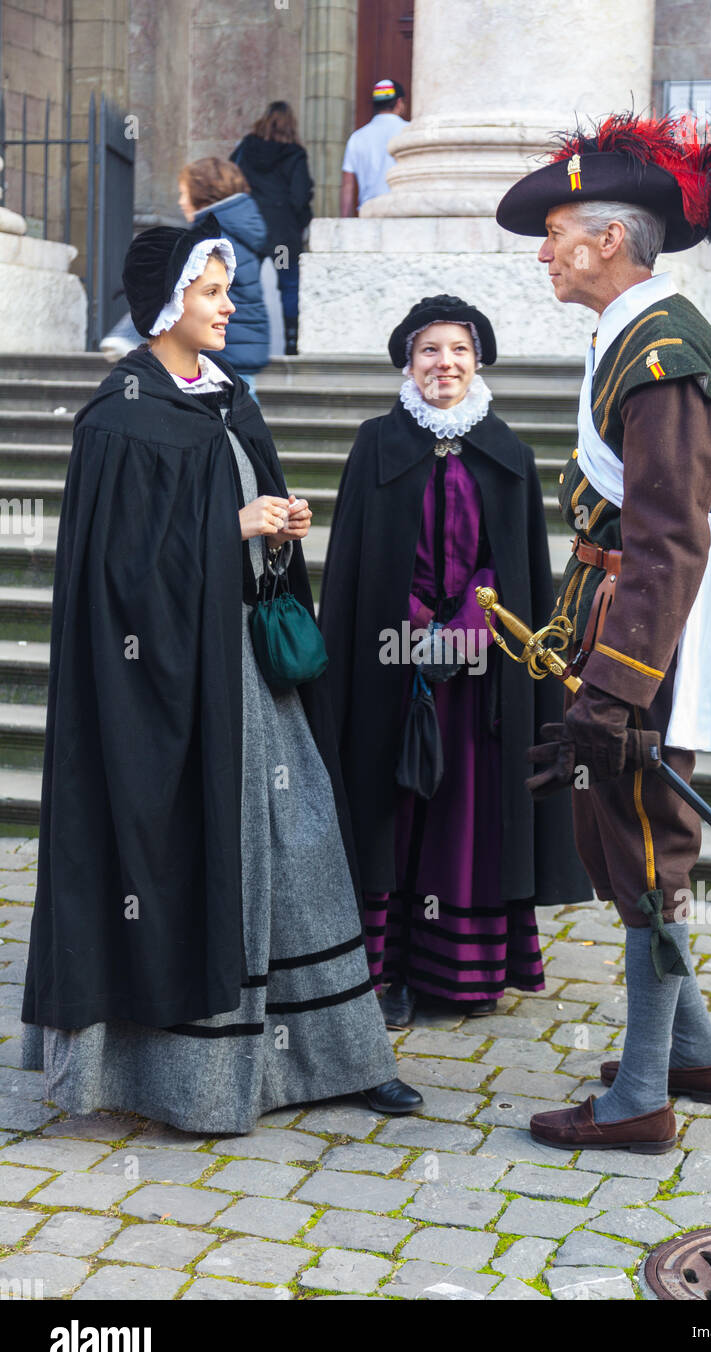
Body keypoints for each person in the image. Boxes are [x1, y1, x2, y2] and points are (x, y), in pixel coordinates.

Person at [20, 213, 422, 1132]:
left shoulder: (228, 393)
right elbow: (113, 576)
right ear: (167, 305)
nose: (228, 307)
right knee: (211, 854)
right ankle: (190, 1080)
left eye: (227, 290)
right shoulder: (120, 417)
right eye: (211, 293)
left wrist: (277, 524)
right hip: (169, 685)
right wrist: (229, 530)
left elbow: (235, 503)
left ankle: (339, 1053)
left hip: (253, 668)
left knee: (305, 841)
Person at [495, 113, 711, 1152]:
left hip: (651, 635)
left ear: (607, 240)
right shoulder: (634, 336)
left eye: (557, 231)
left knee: (642, 847)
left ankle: (640, 1100)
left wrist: (613, 690)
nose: (544, 251)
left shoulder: (662, 353)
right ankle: (691, 1055)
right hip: (627, 623)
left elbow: (668, 536)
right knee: (628, 839)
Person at [318, 294, 591, 1030]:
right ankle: (388, 973)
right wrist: (415, 634)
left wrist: (465, 631)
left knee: (463, 816)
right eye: (430, 350)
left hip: (478, 679)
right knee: (396, 813)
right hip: (391, 670)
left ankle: (460, 975)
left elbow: (511, 569)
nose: (445, 364)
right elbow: (362, 569)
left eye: (458, 351)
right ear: (409, 362)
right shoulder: (376, 445)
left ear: (478, 361)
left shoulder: (508, 455)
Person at [177, 156, 271, 398]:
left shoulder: (212, 240)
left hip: (223, 350)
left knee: (237, 427)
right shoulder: (234, 232)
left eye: (184, 194)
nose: (180, 202)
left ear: (201, 195)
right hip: (236, 347)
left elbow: (179, 290)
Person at [231, 101, 314, 356]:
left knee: (244, 284)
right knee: (288, 285)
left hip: (250, 228)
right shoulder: (295, 154)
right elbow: (300, 196)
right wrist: (299, 222)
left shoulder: (246, 148)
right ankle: (291, 342)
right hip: (282, 233)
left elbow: (230, 180)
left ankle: (242, 340)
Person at [340, 79, 408, 216]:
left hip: (368, 213)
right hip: (402, 212)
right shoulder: (409, 131)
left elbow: (348, 185)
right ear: (399, 103)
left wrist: (343, 221)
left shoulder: (357, 137)